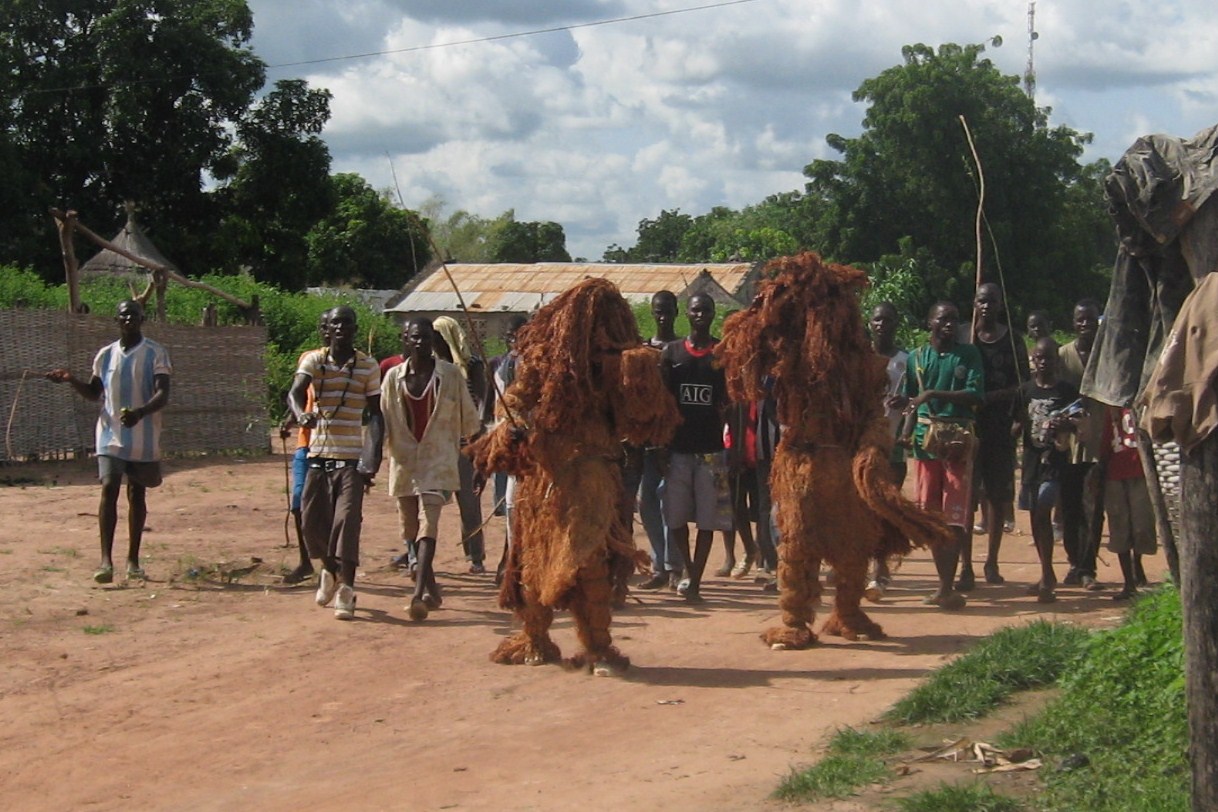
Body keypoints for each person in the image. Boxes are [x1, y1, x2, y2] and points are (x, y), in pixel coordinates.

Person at [46, 299, 171, 584]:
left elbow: (163, 394)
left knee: (137, 493)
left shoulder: (155, 353)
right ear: (116, 320)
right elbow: (94, 393)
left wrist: (140, 413)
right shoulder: (105, 355)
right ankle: (105, 561)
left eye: (134, 316)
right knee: (109, 487)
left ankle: (133, 561)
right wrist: (70, 379)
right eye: (124, 316)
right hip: (109, 432)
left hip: (143, 433)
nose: (129, 320)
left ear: (142, 320)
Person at [381, 317, 482, 620]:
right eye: (415, 337)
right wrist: (368, 461)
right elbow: (381, 421)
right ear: (405, 340)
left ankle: (417, 594)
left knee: (429, 523)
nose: (420, 343)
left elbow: (470, 422)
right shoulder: (392, 379)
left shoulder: (450, 376)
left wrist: (479, 458)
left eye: (426, 337)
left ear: (434, 341)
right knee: (410, 527)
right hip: (405, 461)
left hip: (439, 460)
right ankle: (432, 587)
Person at [287, 306, 383, 620]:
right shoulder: (314, 360)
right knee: (310, 522)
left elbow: (376, 414)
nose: (341, 328)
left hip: (351, 460)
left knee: (348, 522)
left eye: (347, 323)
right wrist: (301, 414)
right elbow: (295, 393)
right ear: (325, 329)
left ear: (355, 329)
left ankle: (347, 591)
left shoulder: (368, 366)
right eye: (335, 323)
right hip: (317, 456)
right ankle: (329, 569)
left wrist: (372, 456)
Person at [902, 301, 984, 609]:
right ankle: (943, 585)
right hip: (925, 444)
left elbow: (976, 395)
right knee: (931, 516)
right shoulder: (916, 358)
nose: (950, 324)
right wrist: (905, 432)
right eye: (943, 319)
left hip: (957, 443)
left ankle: (948, 584)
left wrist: (934, 394)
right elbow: (912, 401)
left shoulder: (968, 354)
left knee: (954, 517)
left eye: (954, 319)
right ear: (930, 323)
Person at [659, 293, 731, 603]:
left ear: (713, 314)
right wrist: (660, 447)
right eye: (696, 310)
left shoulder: (722, 355)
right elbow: (662, 404)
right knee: (675, 519)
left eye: (706, 310)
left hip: (711, 451)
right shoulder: (671, 354)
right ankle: (687, 569)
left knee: (707, 520)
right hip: (677, 450)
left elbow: (730, 404)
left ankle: (696, 580)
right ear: (686, 314)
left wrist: (733, 447)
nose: (701, 315)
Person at [962, 283, 1028, 589]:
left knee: (997, 496)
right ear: (974, 304)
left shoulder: (1012, 340)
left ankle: (992, 561)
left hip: (1000, 427)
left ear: (1000, 305)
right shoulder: (965, 336)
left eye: (991, 301)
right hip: (967, 427)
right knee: (966, 498)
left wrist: (993, 398)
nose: (986, 306)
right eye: (981, 301)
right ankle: (965, 565)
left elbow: (1024, 384)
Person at [1016, 338, 1079, 604]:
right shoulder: (1026, 390)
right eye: (1040, 358)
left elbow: (1079, 421)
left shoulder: (1066, 390)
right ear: (1034, 360)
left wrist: (1065, 424)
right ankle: (1047, 572)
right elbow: (1016, 424)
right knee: (1035, 518)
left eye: (1049, 358)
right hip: (1031, 462)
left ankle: (1047, 576)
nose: (1044, 362)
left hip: (1055, 462)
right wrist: (1018, 426)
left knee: (1043, 508)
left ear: (1056, 360)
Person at [432, 315, 489, 574]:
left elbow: (483, 400)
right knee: (429, 500)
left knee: (469, 501)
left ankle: (475, 555)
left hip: (465, 440)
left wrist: (478, 436)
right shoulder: (432, 366)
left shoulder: (471, 364)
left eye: (436, 337)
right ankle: (417, 552)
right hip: (438, 441)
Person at [280, 309, 332, 585]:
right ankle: (306, 561)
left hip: (334, 445)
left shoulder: (352, 364)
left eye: (331, 326)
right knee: (299, 502)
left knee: (330, 507)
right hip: (306, 443)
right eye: (324, 326)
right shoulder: (308, 358)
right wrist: (292, 418)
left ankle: (331, 562)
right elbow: (300, 396)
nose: (327, 331)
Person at [637, 290, 683, 590]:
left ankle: (673, 565)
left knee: (671, 503)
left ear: (676, 312)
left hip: (676, 438)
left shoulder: (680, 350)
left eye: (668, 311)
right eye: (658, 311)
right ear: (652, 313)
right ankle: (659, 564)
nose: (663, 316)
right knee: (647, 503)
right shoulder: (643, 350)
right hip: (647, 439)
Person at [864, 302, 909, 601]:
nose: (882, 325)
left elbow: (917, 398)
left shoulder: (906, 361)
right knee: (862, 508)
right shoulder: (860, 359)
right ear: (870, 323)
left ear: (896, 324)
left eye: (887, 320)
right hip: (863, 446)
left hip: (893, 447)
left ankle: (880, 568)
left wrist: (906, 403)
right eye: (877, 320)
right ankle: (858, 564)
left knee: (885, 509)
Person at [1057, 299, 1103, 589]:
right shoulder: (1063, 355)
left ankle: (1088, 567)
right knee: (1070, 506)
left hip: (1099, 440)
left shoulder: (1106, 355)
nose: (1085, 324)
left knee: (1093, 508)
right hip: (1069, 444)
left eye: (1090, 319)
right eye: (1080, 319)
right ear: (1073, 323)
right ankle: (1074, 562)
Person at [1100, 405, 1157, 601]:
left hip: (1141, 472)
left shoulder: (1143, 406)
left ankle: (1137, 563)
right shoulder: (1109, 410)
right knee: (1119, 527)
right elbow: (1104, 443)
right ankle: (1128, 582)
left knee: (1142, 524)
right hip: (1115, 474)